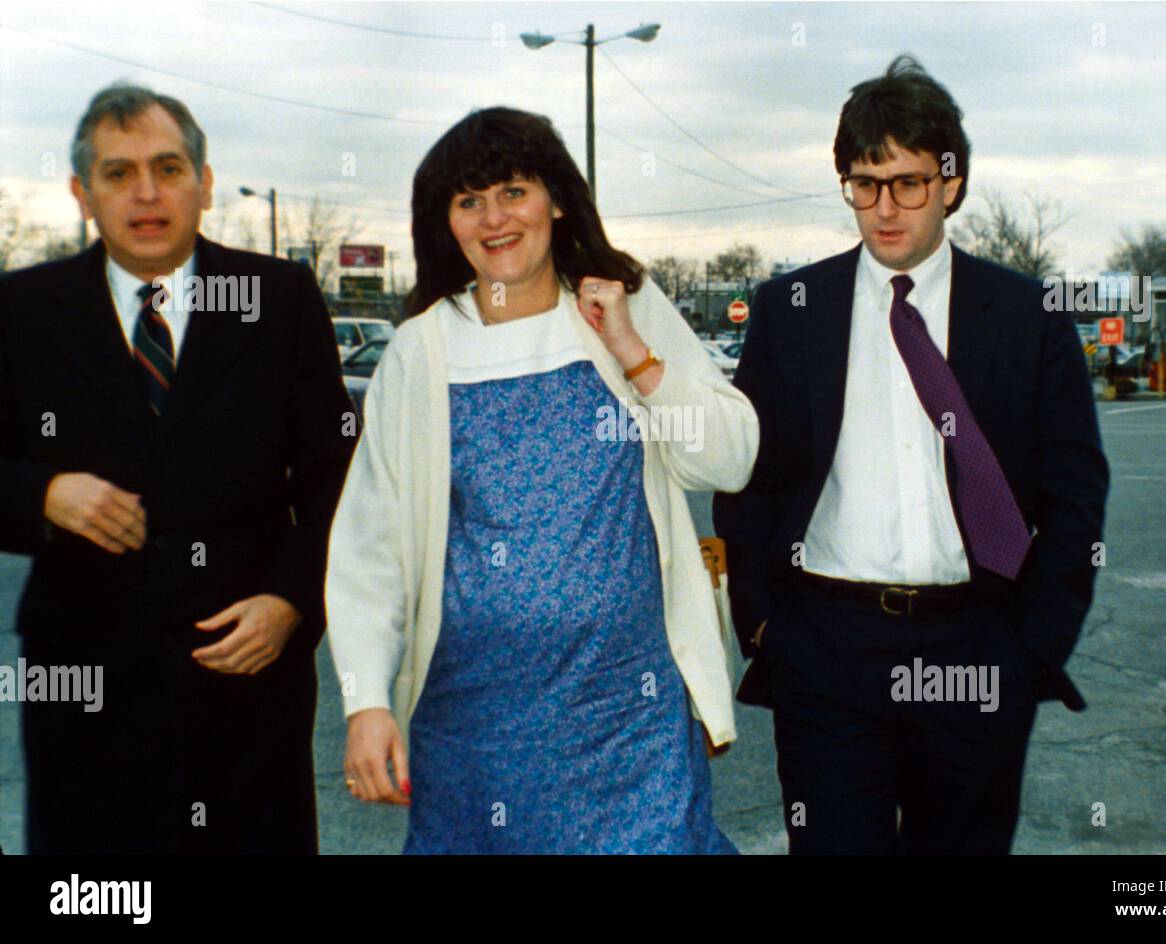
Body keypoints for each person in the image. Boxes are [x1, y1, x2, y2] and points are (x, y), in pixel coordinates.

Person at [325, 107, 758, 854]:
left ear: (556, 198)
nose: (494, 218)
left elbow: (728, 460)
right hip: (473, 728)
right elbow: (371, 546)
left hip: (630, 719)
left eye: (513, 191)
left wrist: (630, 350)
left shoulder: (623, 302)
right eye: (469, 201)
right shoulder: (421, 352)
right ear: (447, 224)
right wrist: (367, 702)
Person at [713, 55, 1109, 854]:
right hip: (827, 649)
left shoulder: (1027, 316)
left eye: (908, 183)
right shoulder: (790, 313)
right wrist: (762, 626)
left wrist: (1033, 646)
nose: (884, 209)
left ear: (952, 184)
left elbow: (1075, 490)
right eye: (864, 183)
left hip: (975, 644)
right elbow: (747, 476)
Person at [0, 84, 354, 852]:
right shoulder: (22, 308)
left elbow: (338, 478)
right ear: (82, 193)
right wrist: (44, 492)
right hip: (82, 687)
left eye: (167, 167)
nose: (148, 193)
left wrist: (292, 603)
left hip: (247, 681)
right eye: (119, 173)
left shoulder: (278, 298)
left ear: (205, 181)